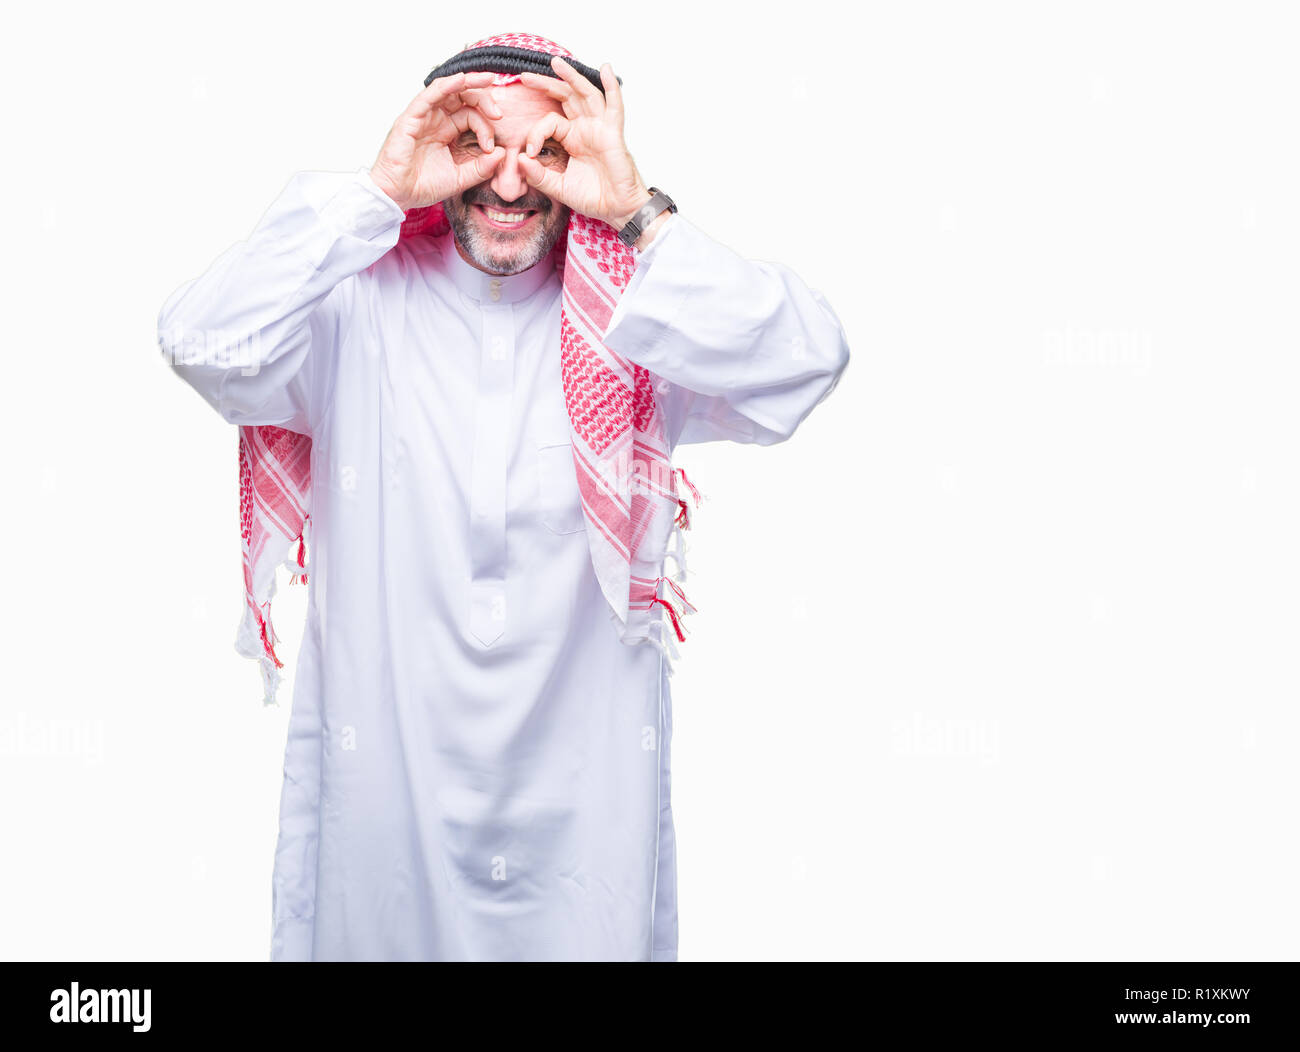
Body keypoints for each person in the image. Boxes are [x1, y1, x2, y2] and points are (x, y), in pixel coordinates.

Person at [157, 31, 851, 962]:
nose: (513, 184)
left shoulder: (635, 320)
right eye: (479, 145)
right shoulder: (352, 304)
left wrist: (638, 216)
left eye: (550, 152)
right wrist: (373, 196)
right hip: (386, 827)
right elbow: (201, 341)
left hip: (582, 839)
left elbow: (805, 362)